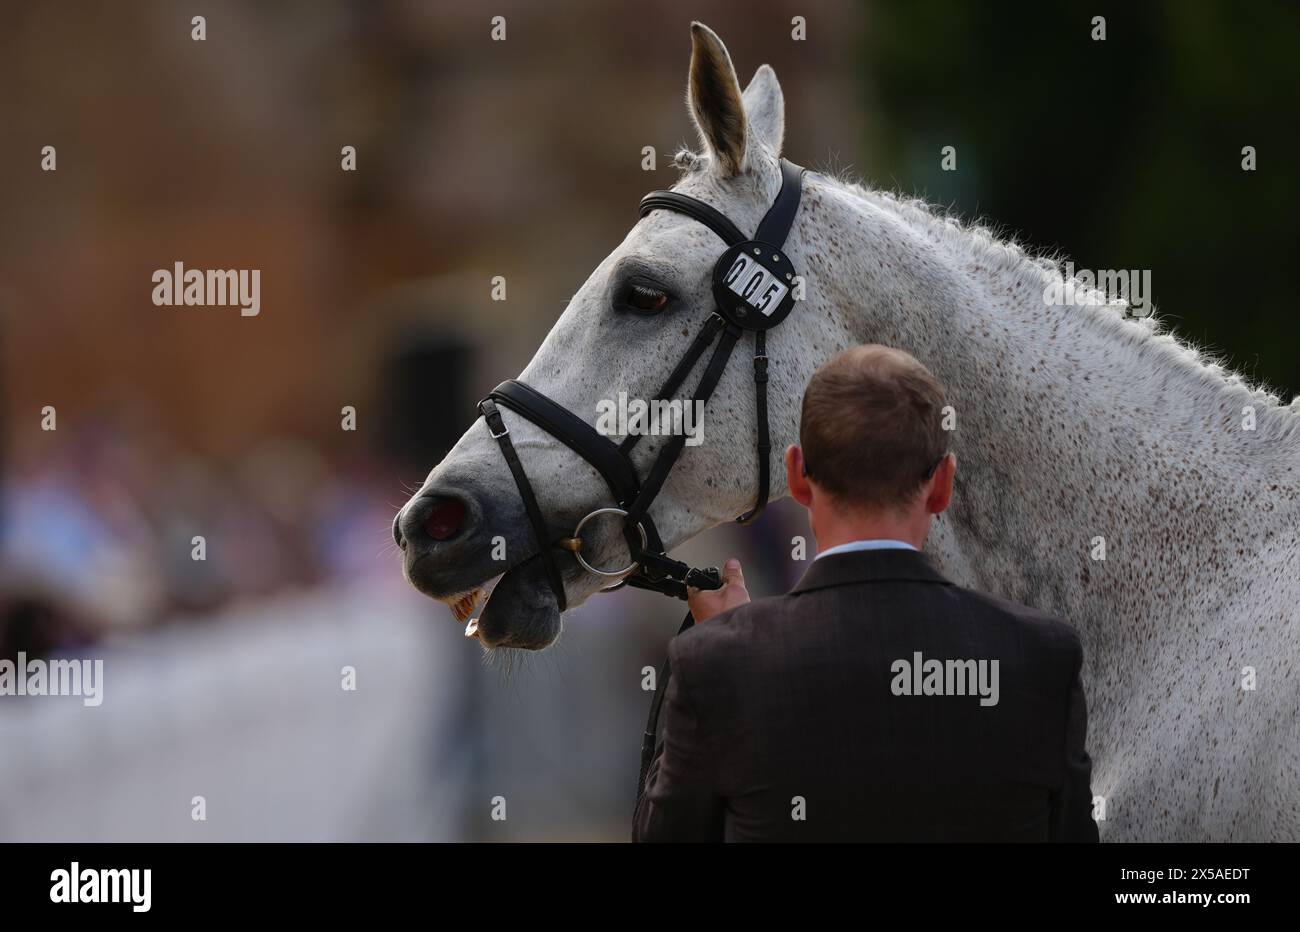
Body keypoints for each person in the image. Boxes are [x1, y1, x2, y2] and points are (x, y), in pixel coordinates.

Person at [633, 345, 1099, 842]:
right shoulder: (1042, 655)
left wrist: (729, 639)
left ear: (796, 477)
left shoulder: (717, 662)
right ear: (943, 484)